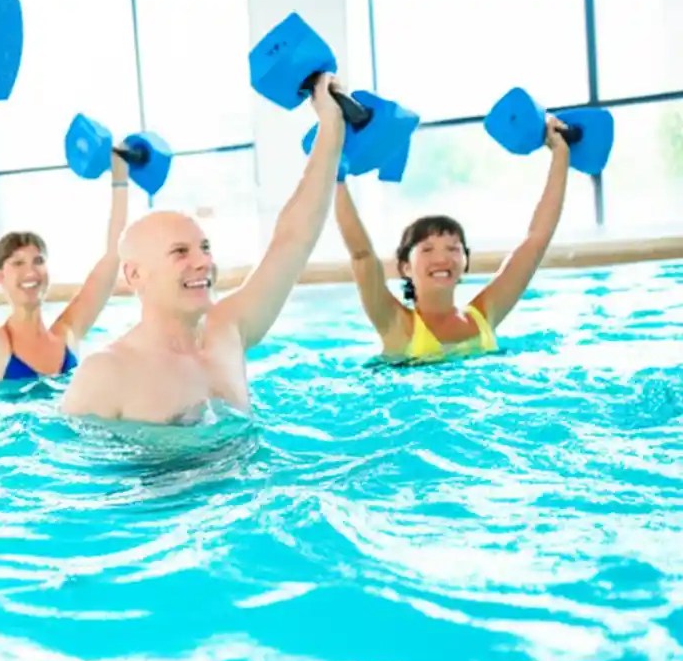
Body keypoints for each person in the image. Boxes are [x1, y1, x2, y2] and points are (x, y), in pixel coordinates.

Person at [59, 75, 347, 424]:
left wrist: (330, 126)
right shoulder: (106, 374)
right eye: (180, 252)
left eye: (205, 248)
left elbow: (293, 239)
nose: (204, 262)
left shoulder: (227, 330)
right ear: (135, 274)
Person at [331, 115, 570, 363]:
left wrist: (560, 153)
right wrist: (336, 179)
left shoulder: (484, 316)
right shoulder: (396, 324)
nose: (442, 258)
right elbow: (362, 256)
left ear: (465, 261)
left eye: (453, 248)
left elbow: (537, 239)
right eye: (427, 249)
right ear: (405, 267)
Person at [0, 152, 129, 382]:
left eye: (38, 261)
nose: (30, 271)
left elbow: (113, 255)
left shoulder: (68, 333)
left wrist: (120, 179)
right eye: (17, 263)